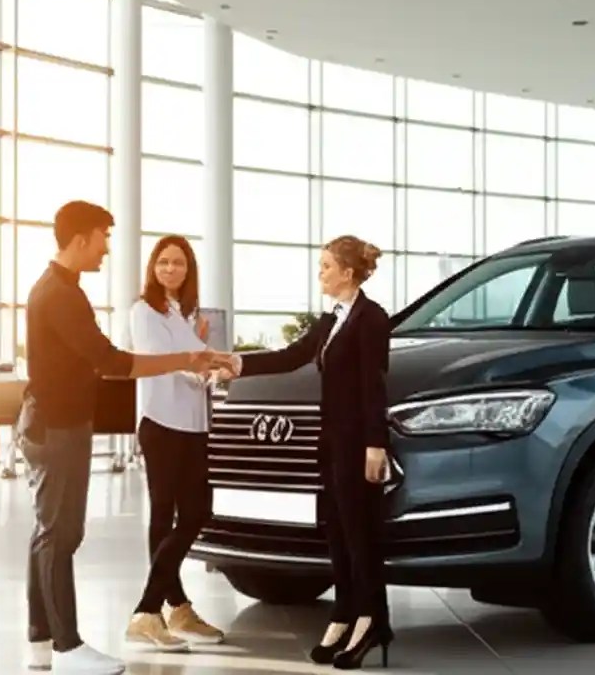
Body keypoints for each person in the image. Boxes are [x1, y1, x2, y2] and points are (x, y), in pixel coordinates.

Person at [21, 201, 231, 674]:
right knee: (61, 534)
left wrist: (189, 356)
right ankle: (67, 647)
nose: (106, 249)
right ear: (81, 239)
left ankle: (41, 639)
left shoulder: (60, 289)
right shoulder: (59, 294)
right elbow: (114, 363)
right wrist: (186, 359)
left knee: (48, 533)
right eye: (103, 238)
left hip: (55, 422)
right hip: (57, 426)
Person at [223, 235, 394, 671]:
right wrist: (238, 364)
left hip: (358, 444)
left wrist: (376, 445)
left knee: (360, 535)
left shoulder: (372, 319)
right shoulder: (331, 320)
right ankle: (345, 612)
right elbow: (290, 356)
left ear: (347, 273)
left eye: (325, 266)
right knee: (337, 534)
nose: (320, 273)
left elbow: (375, 386)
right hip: (331, 444)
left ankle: (372, 618)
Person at [125, 235, 225, 651]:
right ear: (153, 267)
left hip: (192, 426)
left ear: (188, 270)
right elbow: (160, 360)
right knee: (165, 515)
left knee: (198, 511)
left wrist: (220, 363)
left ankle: (176, 608)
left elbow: (201, 357)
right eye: (163, 262)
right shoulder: (144, 311)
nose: (170, 269)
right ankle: (149, 612)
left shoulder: (182, 315)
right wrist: (203, 367)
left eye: (178, 263)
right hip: (162, 424)